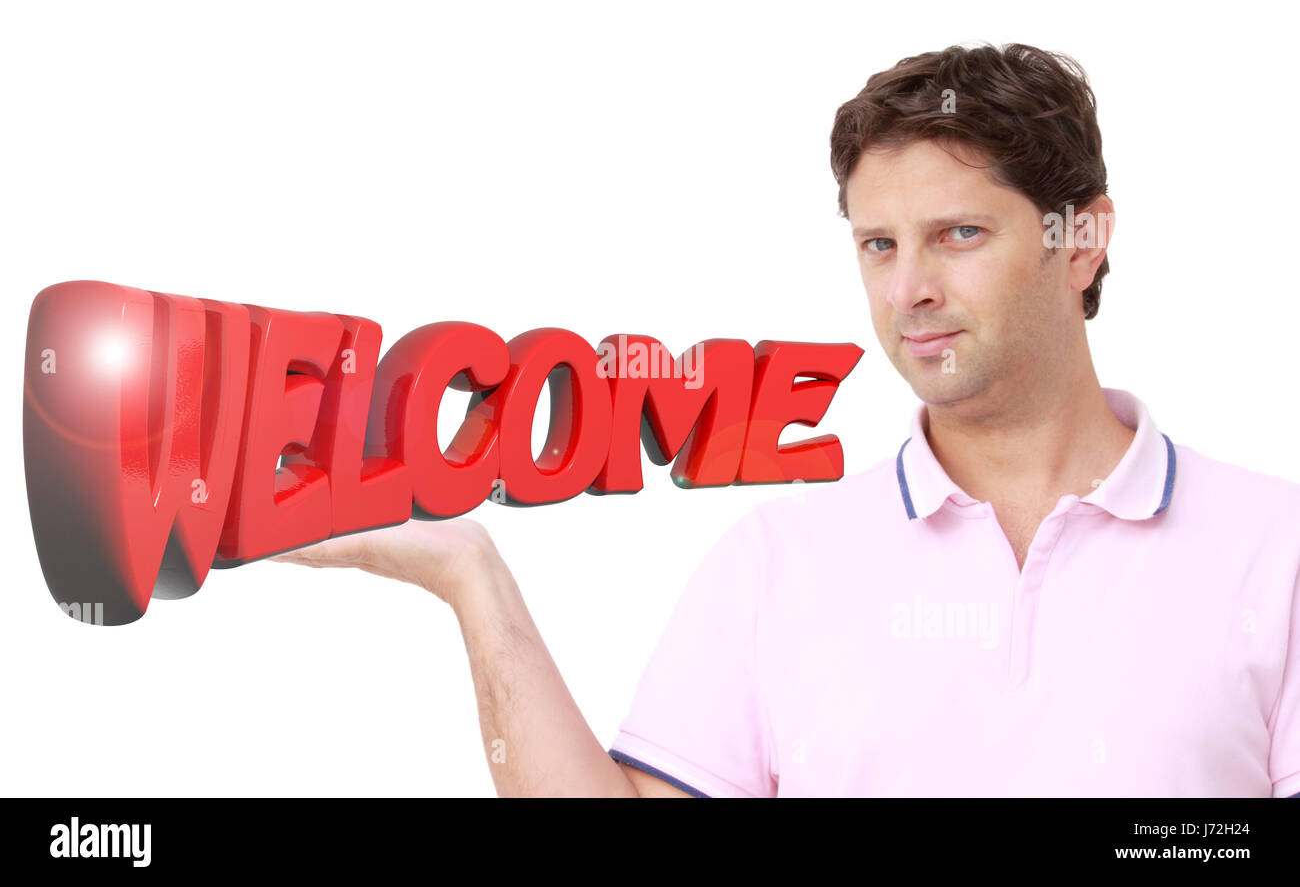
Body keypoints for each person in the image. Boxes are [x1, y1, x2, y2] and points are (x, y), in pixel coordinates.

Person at [272, 43, 1300, 797]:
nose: (910, 289)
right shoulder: (780, 562)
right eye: (878, 246)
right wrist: (472, 575)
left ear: (1081, 241)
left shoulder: (1274, 551)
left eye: (957, 234)